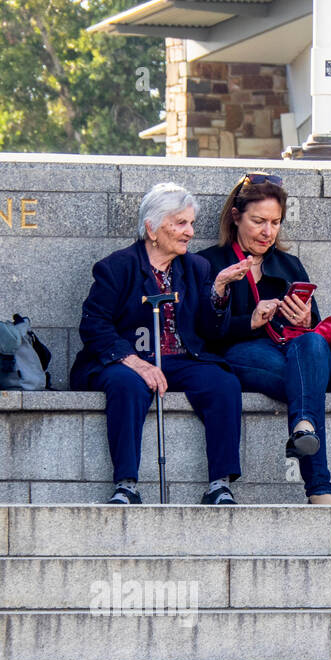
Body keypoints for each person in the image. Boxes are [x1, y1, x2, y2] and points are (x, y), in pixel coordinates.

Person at [70, 182, 247, 505]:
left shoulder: (197, 268)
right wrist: (135, 362)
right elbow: (93, 324)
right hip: (126, 359)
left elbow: (211, 330)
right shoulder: (116, 267)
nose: (190, 231)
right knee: (127, 385)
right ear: (152, 228)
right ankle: (126, 485)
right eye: (180, 223)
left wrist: (219, 289)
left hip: (181, 357)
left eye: (191, 223)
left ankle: (219, 485)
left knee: (223, 383)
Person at [198, 172, 331, 506]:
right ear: (236, 216)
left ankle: (303, 423)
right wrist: (251, 320)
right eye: (258, 221)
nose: (267, 232)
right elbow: (201, 330)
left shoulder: (289, 264)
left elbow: (313, 325)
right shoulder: (208, 262)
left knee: (314, 342)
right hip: (240, 353)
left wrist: (304, 319)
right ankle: (319, 490)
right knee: (304, 383)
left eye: (275, 222)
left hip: (293, 350)